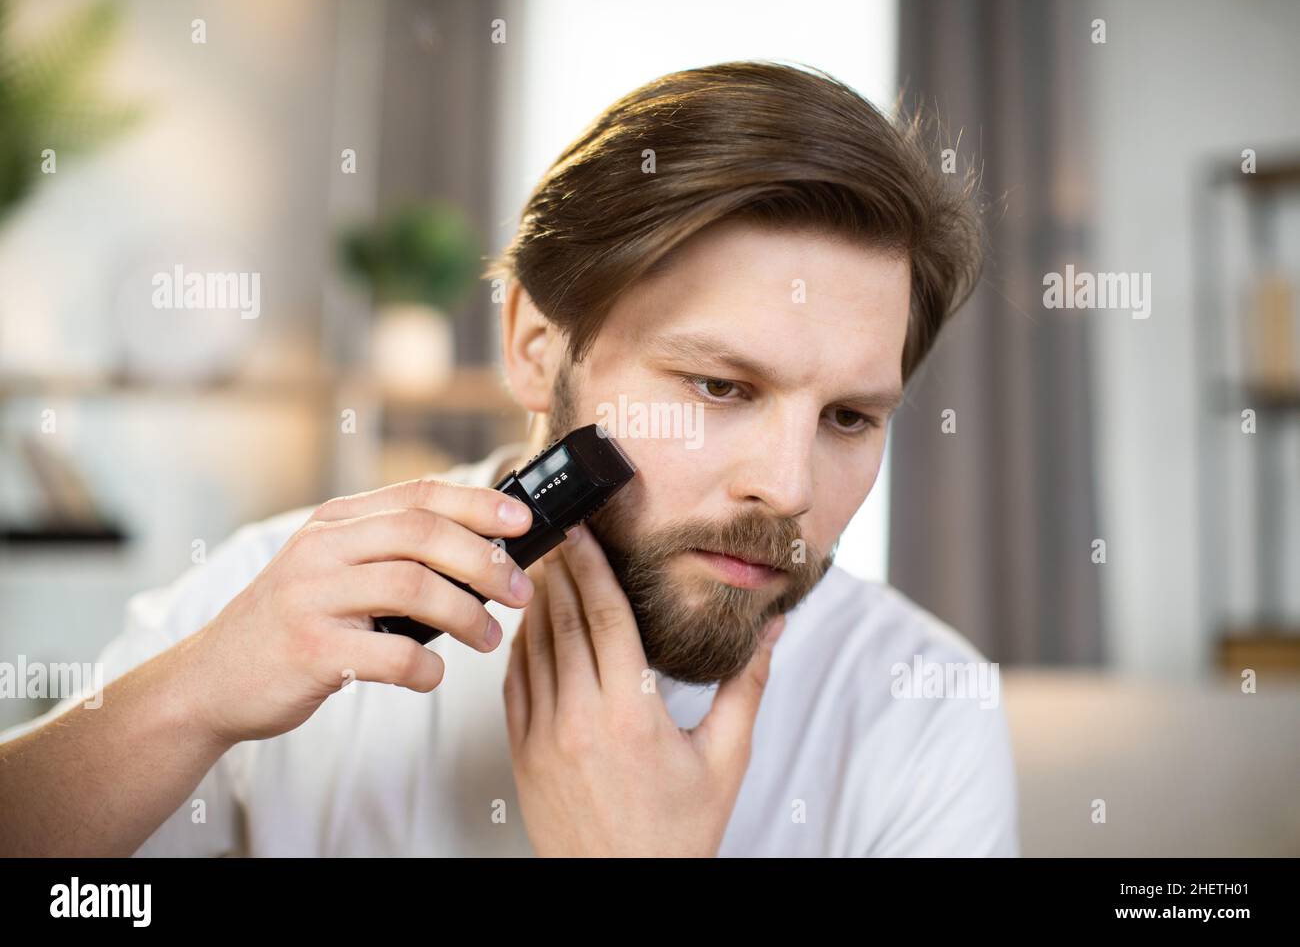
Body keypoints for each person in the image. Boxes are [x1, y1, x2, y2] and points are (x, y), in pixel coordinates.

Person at [0, 60, 1017, 857]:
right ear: (536, 342)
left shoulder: (921, 709)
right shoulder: (281, 599)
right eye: (719, 386)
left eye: (847, 417)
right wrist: (189, 696)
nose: (789, 487)